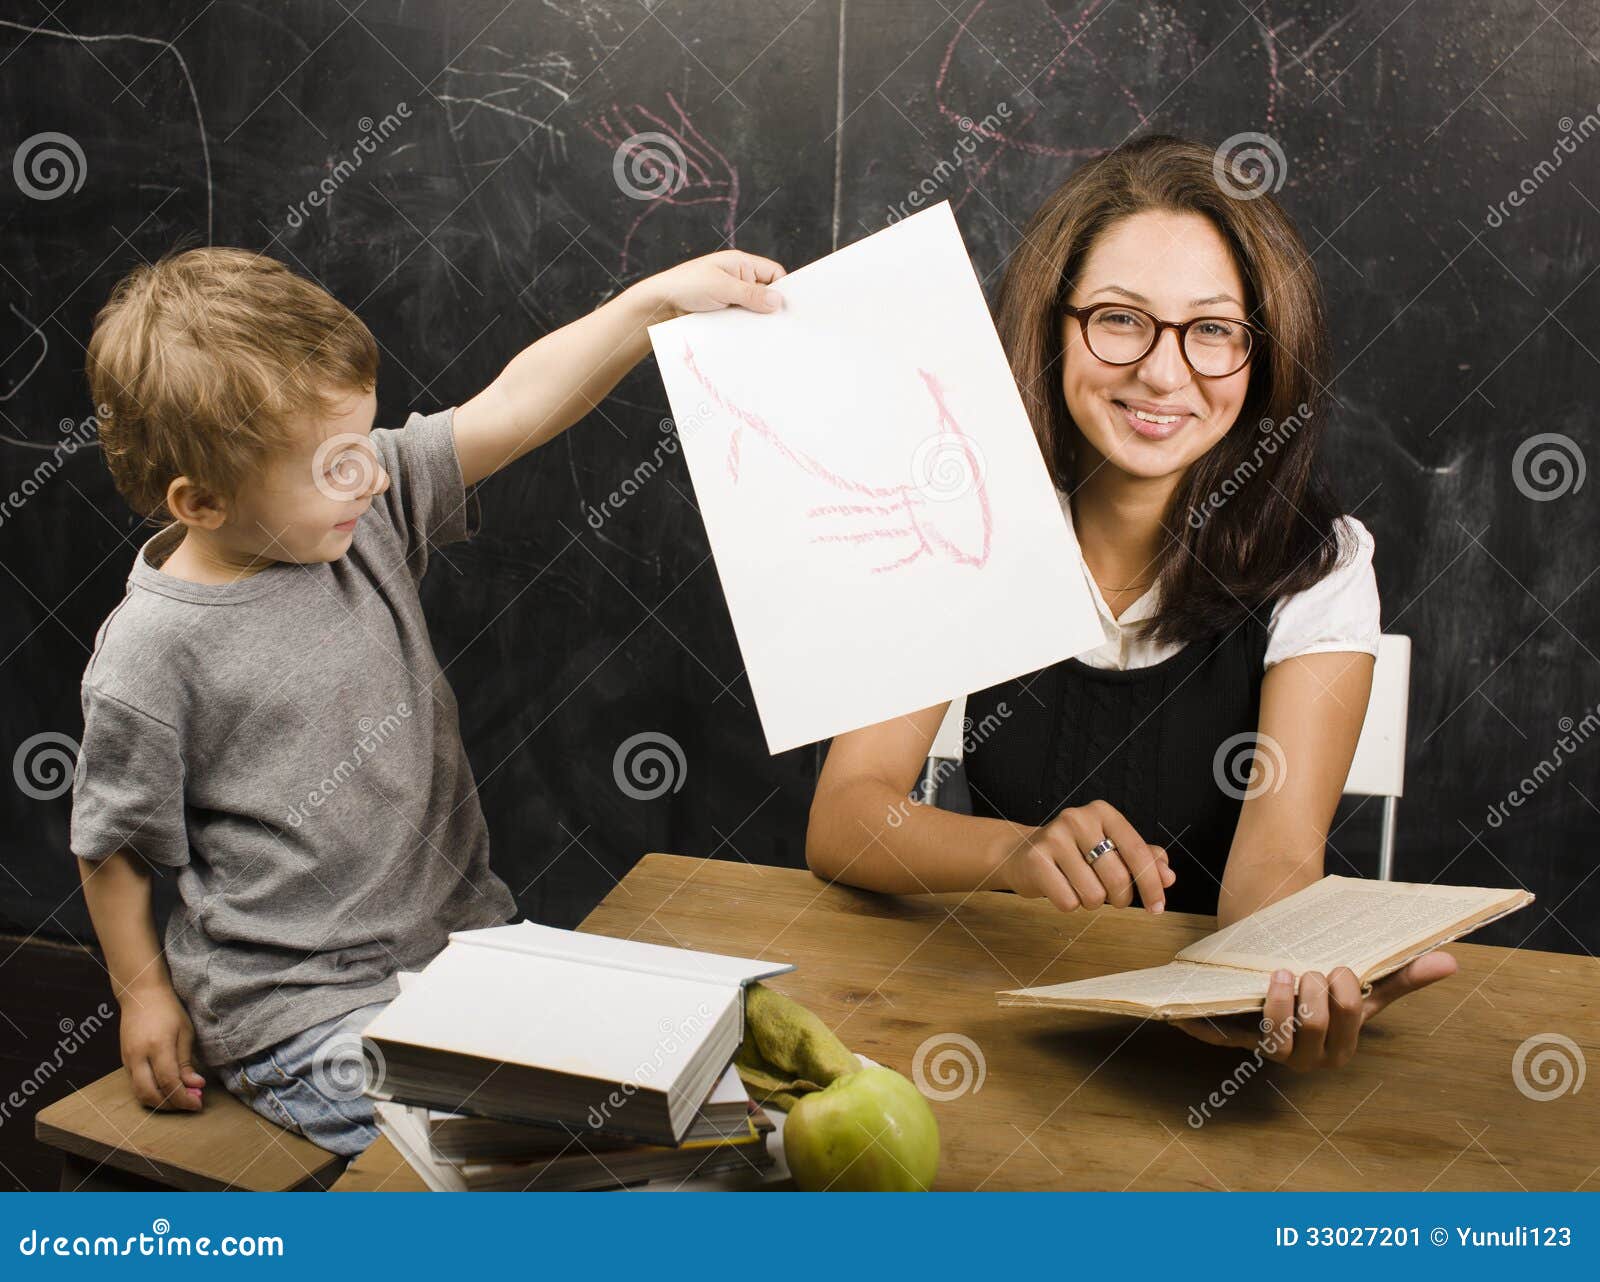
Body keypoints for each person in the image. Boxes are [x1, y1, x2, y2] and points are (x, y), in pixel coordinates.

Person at [71, 245, 785, 1153]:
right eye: (337, 465)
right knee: (501, 1151)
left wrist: (651, 305)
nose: (370, 475)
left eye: (366, 447)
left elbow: (516, 406)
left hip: (465, 958)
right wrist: (143, 996)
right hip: (297, 1014)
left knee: (682, 1095)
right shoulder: (150, 653)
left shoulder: (359, 512)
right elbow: (115, 849)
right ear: (203, 502)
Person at [806, 135, 1455, 1072]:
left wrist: (1281, 978)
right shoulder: (960, 524)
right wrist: (1012, 854)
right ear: (1053, 325)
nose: (1161, 372)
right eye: (1120, 319)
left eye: (1214, 330)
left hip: (1211, 1057)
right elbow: (846, 816)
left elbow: (1275, 859)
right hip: (996, 1021)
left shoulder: (1319, 564)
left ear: (1260, 354)